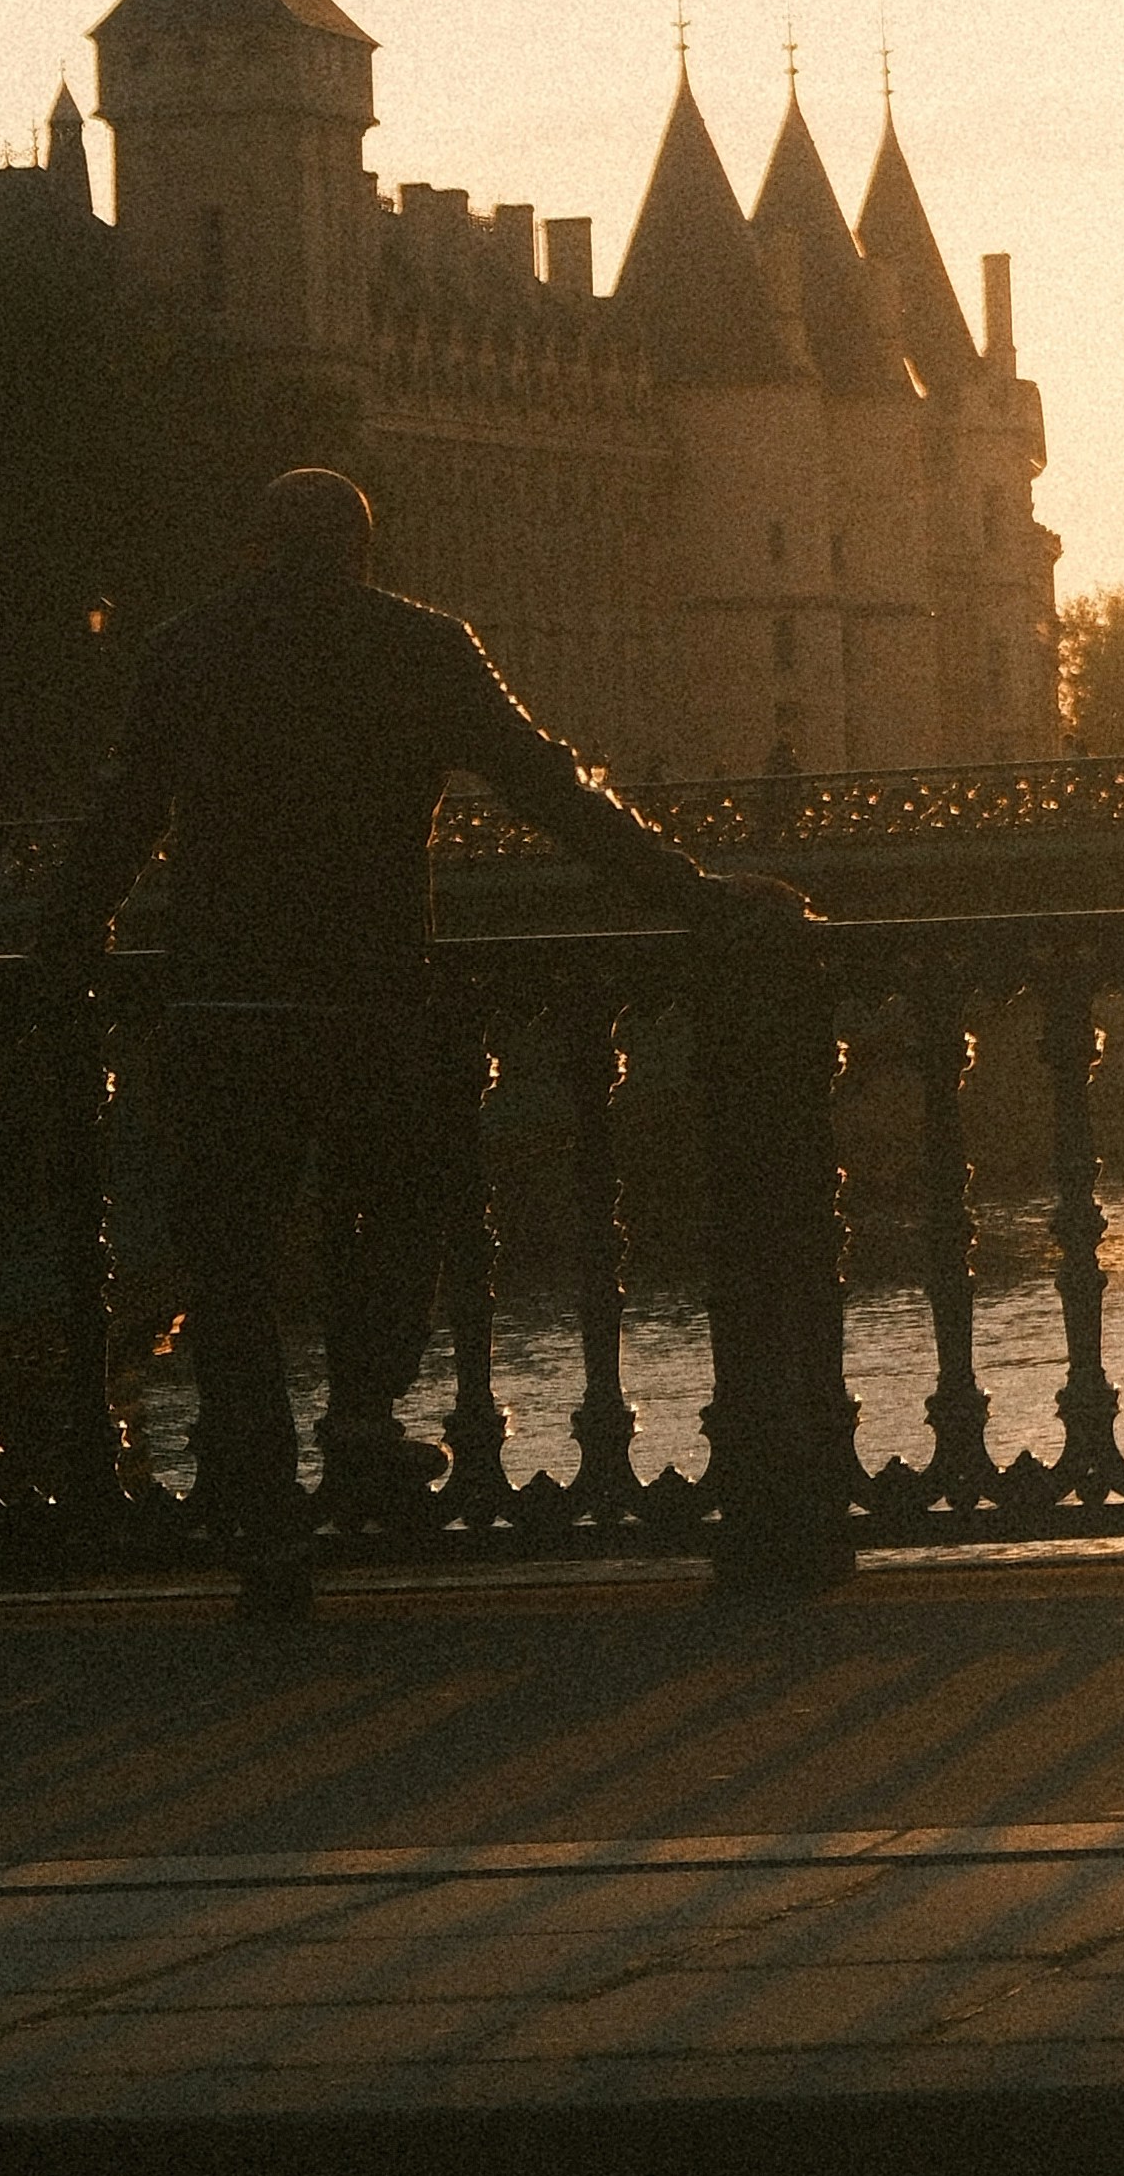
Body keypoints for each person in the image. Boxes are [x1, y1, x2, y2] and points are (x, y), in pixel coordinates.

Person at [41, 465, 750, 1623]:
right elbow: (551, 790)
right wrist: (694, 893)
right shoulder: (423, 644)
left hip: (224, 1010)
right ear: (364, 552)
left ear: (258, 549)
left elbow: (120, 823)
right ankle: (365, 1413)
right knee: (410, 1211)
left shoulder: (186, 652)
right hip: (370, 998)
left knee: (231, 1275)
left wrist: (60, 954)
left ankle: (266, 1534)